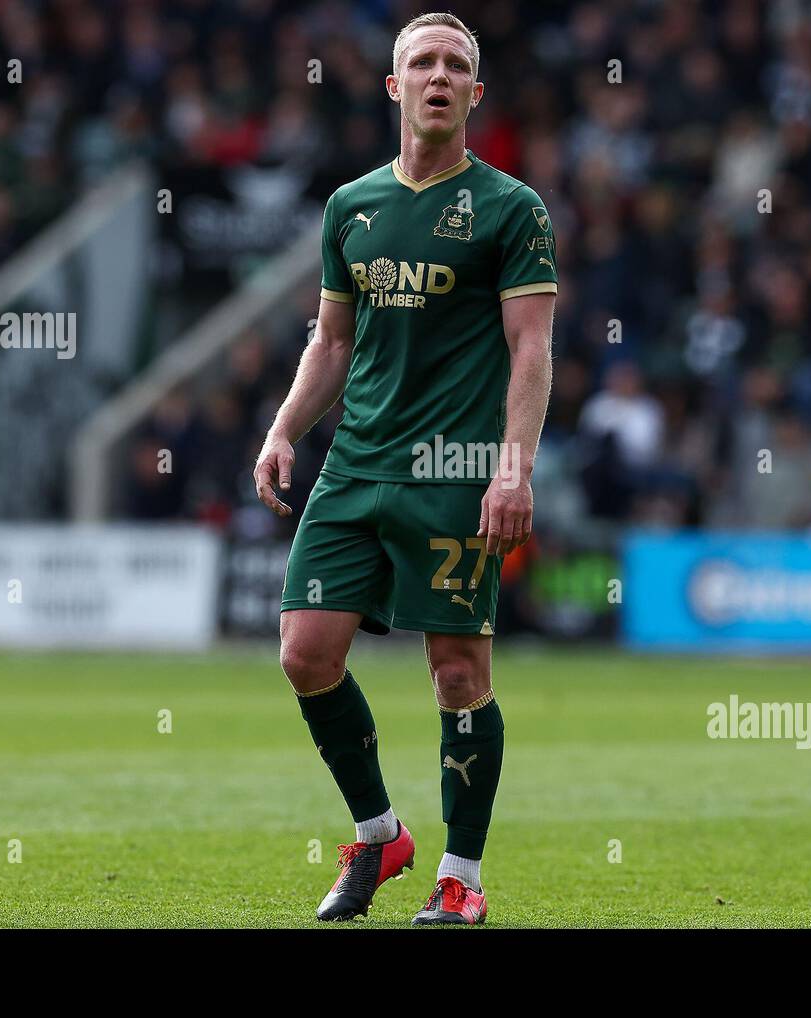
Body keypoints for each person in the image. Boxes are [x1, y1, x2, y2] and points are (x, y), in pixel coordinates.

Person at [253, 12, 557, 925]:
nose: (436, 76)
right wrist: (283, 429)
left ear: (474, 92)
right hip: (355, 467)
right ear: (393, 87)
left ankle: (461, 879)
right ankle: (381, 834)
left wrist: (514, 469)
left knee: (459, 674)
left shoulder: (512, 209)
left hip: (454, 474)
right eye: (420, 62)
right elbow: (332, 341)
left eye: (454, 66)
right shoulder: (351, 205)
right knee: (305, 655)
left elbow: (532, 346)